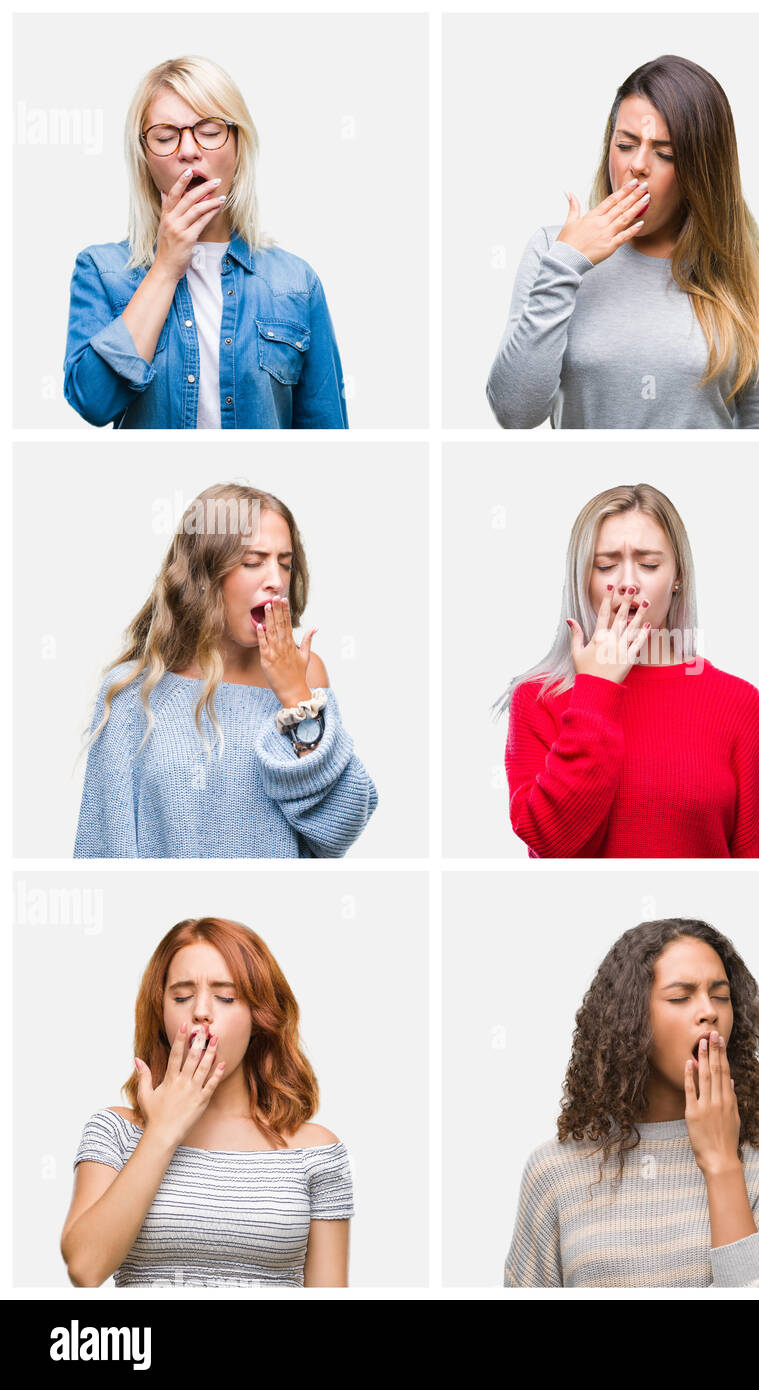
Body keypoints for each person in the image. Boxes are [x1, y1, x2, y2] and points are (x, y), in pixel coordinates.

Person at [74, 482, 377, 857]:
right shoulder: (132, 691)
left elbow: (341, 830)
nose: (276, 581)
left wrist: (296, 700)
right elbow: (103, 849)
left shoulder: (306, 674)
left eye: (285, 563)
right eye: (253, 562)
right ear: (204, 575)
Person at [487, 54, 759, 429]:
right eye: (626, 144)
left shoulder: (748, 271)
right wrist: (565, 265)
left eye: (665, 153)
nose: (638, 165)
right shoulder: (552, 251)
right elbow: (514, 413)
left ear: (702, 171)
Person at [505, 918, 759, 1287]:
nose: (708, 1011)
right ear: (630, 1020)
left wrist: (722, 1163)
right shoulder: (554, 1171)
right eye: (681, 997)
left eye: (721, 996)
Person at [498, 483, 759, 857]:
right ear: (582, 579)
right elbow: (552, 846)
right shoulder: (538, 698)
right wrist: (595, 691)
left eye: (649, 564)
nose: (627, 584)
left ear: (678, 577)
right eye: (605, 565)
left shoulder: (739, 703)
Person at [61, 917, 352, 1287]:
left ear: (259, 1017)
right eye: (181, 996)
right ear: (161, 1011)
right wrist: (163, 1130)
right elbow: (85, 1268)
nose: (201, 1011)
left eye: (226, 997)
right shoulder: (114, 1131)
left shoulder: (317, 1150)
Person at [64, 55, 347, 429]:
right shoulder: (100, 271)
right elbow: (93, 403)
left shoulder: (296, 283)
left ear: (237, 146)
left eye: (209, 132)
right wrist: (165, 268)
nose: (188, 150)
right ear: (145, 157)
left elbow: (326, 434)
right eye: (165, 137)